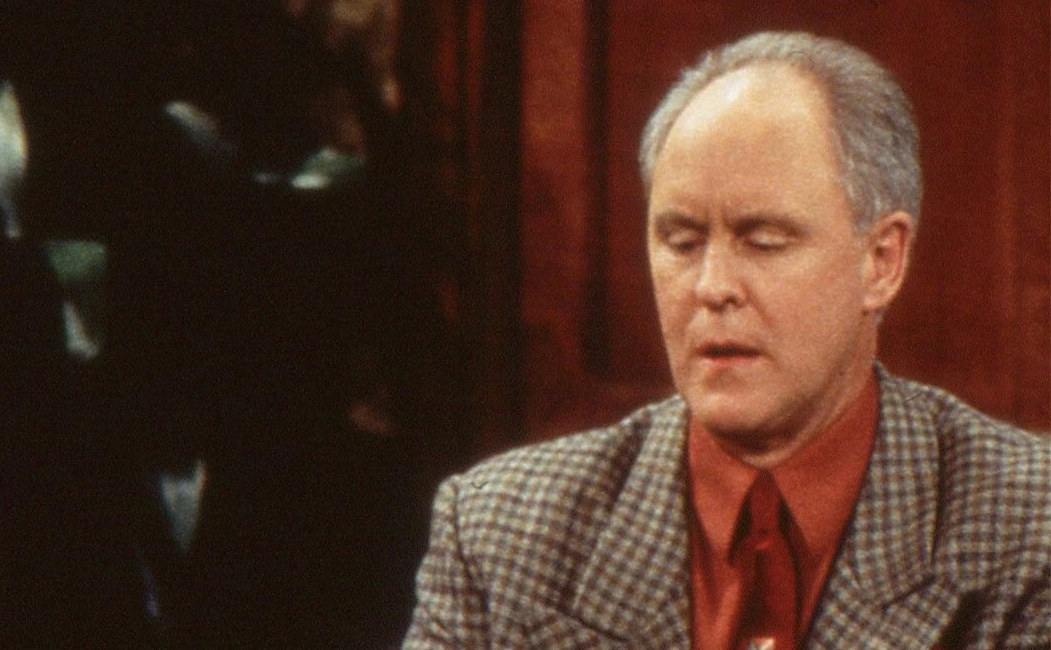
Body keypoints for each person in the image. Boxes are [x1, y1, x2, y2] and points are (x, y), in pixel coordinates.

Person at [403, 32, 1050, 650]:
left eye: (763, 242)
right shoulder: (498, 533)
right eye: (682, 242)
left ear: (881, 261)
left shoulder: (1030, 525)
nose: (711, 287)